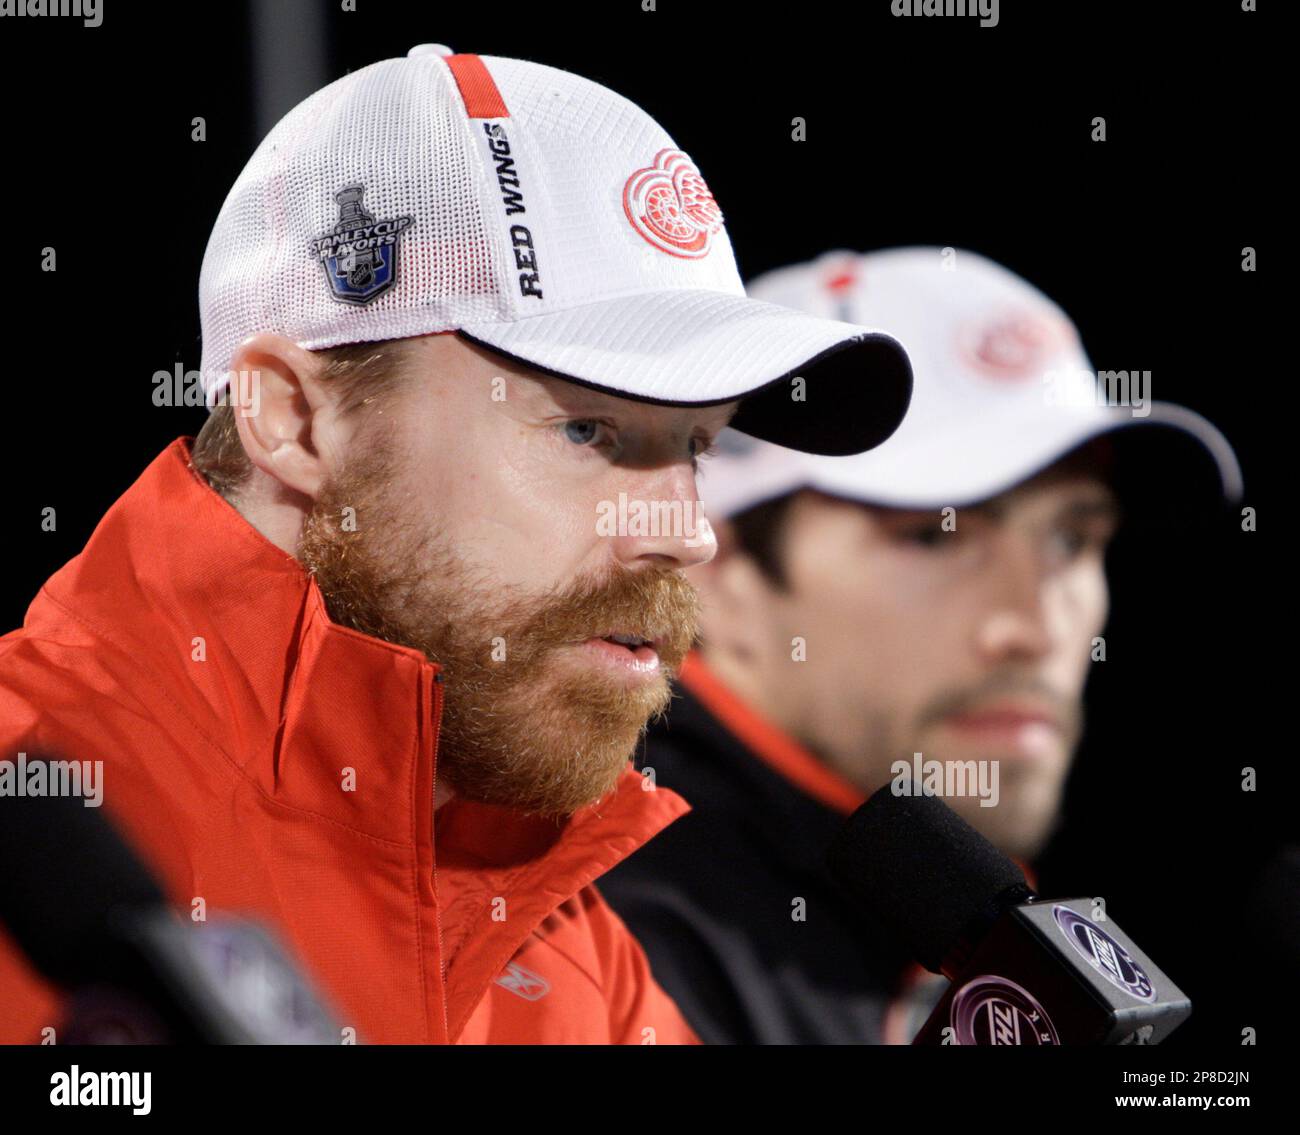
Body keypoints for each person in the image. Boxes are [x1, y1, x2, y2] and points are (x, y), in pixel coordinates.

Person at [0, 49, 912, 1044]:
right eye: (587, 431)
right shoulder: (28, 804)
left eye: (697, 444)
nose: (687, 533)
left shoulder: (567, 938)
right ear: (294, 419)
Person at [599, 246, 1242, 1044]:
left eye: (1072, 539)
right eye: (933, 538)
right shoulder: (610, 939)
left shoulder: (952, 913)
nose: (1034, 627)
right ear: (719, 571)